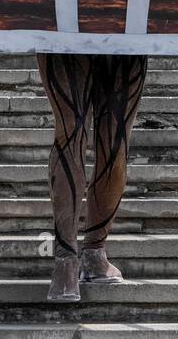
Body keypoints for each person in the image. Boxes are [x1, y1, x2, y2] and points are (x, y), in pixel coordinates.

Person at [38, 54, 150, 301]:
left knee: (71, 130)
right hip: (124, 26)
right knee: (114, 138)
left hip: (63, 25)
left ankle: (66, 266)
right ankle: (94, 254)